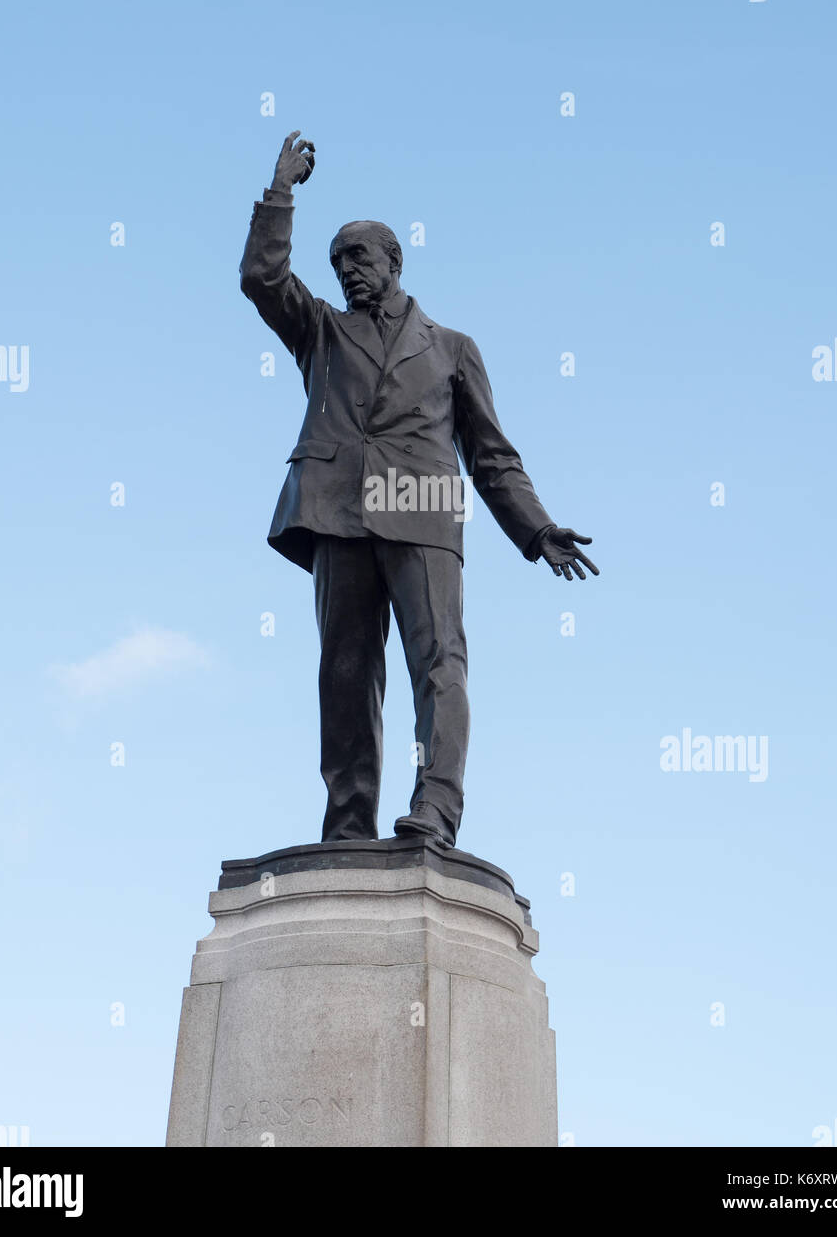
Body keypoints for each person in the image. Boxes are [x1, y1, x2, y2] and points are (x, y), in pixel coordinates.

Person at [240, 131, 598, 848]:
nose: (346, 271)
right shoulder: (321, 332)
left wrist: (535, 527)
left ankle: (434, 811)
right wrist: (279, 194)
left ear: (395, 261)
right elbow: (262, 280)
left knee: (439, 665)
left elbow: (492, 456)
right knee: (344, 675)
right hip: (336, 508)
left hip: (424, 512)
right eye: (337, 260)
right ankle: (347, 825)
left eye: (359, 257)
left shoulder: (452, 347)